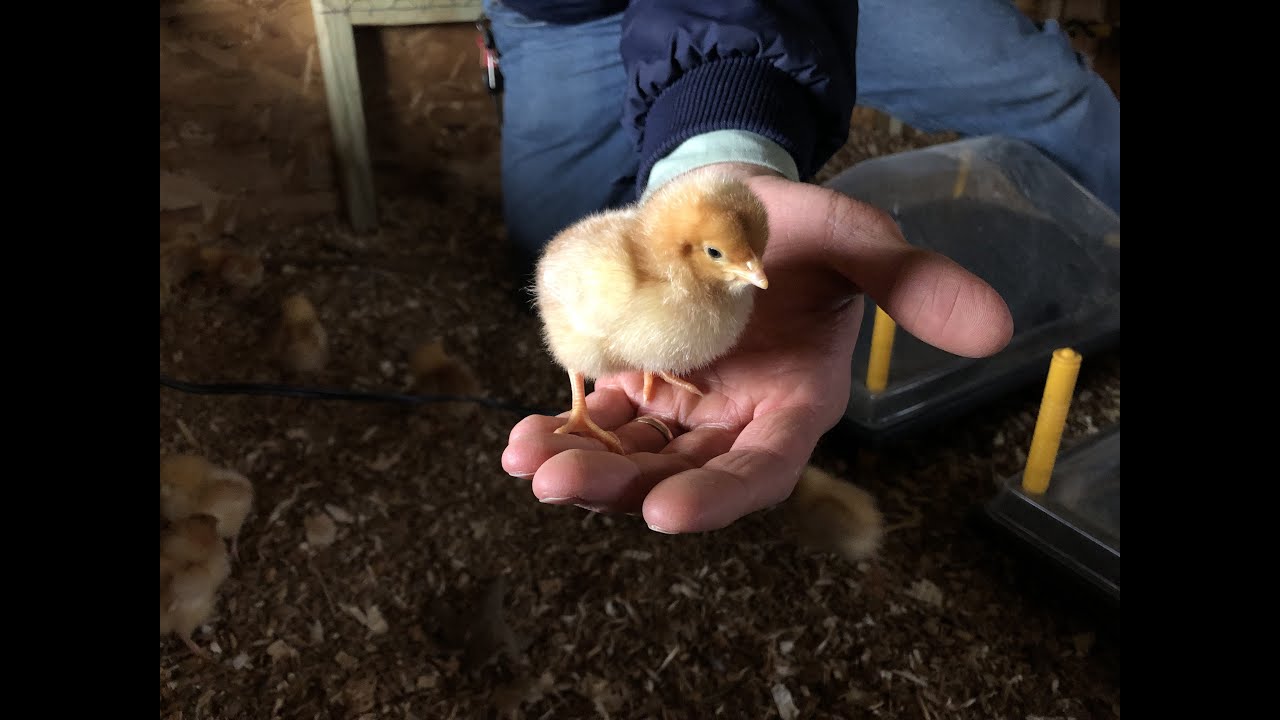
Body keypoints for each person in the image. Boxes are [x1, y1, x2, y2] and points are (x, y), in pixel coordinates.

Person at [490, 0, 1119, 534]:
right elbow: (567, 284)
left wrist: (724, 137)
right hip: (566, 11)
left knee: (1050, 87)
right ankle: (589, 390)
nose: (759, 273)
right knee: (541, 240)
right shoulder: (627, 274)